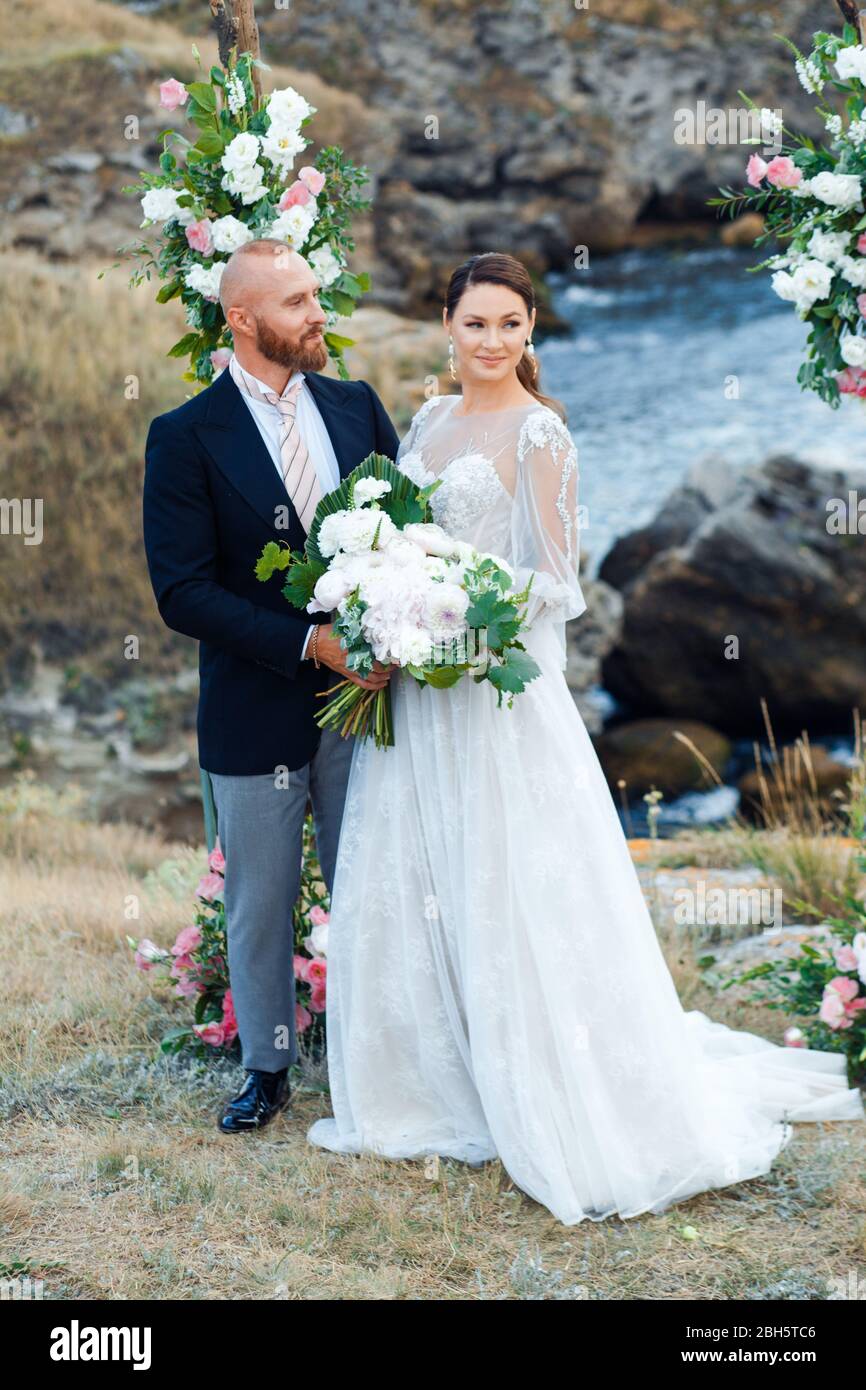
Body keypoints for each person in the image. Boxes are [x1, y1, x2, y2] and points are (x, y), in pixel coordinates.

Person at [306, 251, 865, 1226]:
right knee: (425, 878)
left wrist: (460, 627)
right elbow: (392, 538)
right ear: (447, 324)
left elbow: (557, 583)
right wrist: (383, 609)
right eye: (474, 323)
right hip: (418, 698)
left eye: (509, 325)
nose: (490, 341)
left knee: (511, 880)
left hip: (494, 696)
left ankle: (547, 1083)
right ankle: (432, 1082)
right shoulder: (429, 422)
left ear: (529, 332)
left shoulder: (540, 434)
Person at [142, 241, 399, 1134]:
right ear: (242, 321)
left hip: (365, 704)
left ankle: (383, 1057)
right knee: (260, 903)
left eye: (315, 295)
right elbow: (182, 593)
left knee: (373, 882)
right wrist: (306, 644)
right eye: (294, 302)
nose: (316, 313)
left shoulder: (357, 406)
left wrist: (395, 630)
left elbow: (406, 532)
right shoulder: (184, 436)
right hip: (254, 711)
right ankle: (267, 1068)